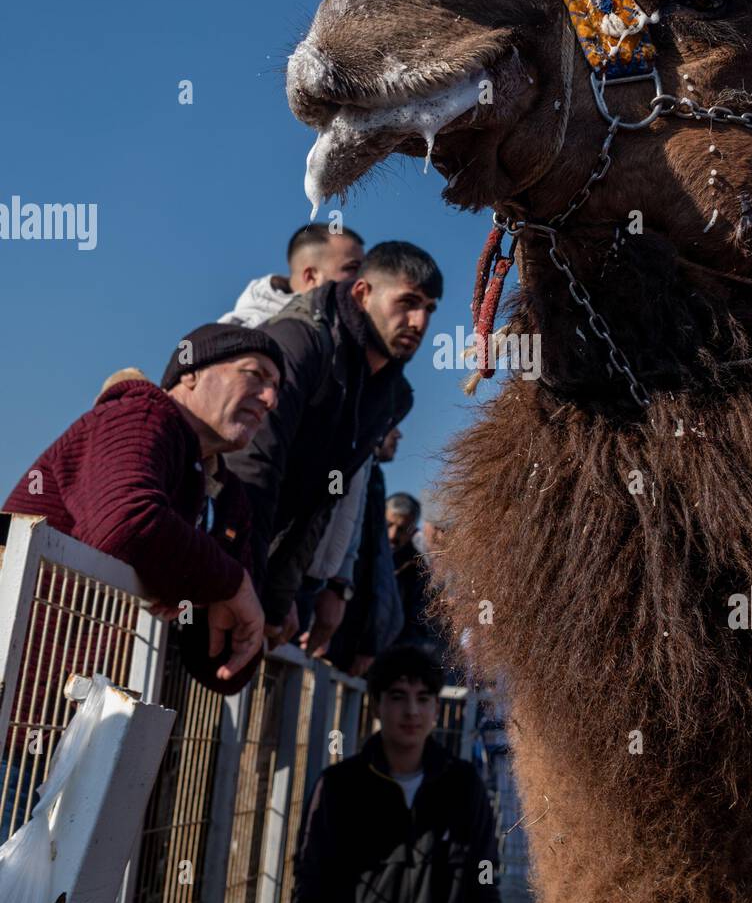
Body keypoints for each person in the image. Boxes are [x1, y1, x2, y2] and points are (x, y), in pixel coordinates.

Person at [3, 323, 285, 694]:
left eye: (277, 388)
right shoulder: (138, 416)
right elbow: (126, 524)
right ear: (192, 373)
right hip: (10, 684)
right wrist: (231, 584)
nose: (270, 398)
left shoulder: (229, 498)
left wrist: (216, 597)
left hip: (67, 721)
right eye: (255, 374)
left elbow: (221, 665)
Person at [226, 242, 441, 645]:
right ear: (363, 293)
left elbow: (321, 503)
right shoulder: (301, 340)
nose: (419, 321)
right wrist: (241, 585)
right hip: (215, 558)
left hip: (270, 579)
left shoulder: (389, 394)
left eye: (430, 308)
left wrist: (276, 598)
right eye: (408, 302)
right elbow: (253, 468)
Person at [275, 646, 502, 903]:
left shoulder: (464, 788)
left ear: (436, 709)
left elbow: (484, 892)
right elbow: (310, 888)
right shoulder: (338, 787)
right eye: (398, 696)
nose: (411, 710)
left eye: (423, 697)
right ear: (376, 705)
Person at [220, 223, 370, 654]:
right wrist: (255, 581)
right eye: (352, 269)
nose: (364, 285)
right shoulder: (256, 343)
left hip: (298, 578)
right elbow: (251, 466)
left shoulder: (348, 357)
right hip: (252, 573)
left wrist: (337, 581)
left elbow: (351, 491)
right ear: (310, 277)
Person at [317, 426, 404, 676]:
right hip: (325, 631)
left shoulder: (373, 476)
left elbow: (375, 570)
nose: (399, 435)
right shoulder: (352, 464)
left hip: (344, 639)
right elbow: (330, 534)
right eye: (392, 425)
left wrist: (370, 643)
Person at [220, 223, 364, 327]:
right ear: (311, 277)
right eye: (352, 268)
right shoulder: (251, 335)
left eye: (364, 269)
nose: (363, 278)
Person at [387, 492, 452, 668]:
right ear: (425, 525)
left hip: (424, 651)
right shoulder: (408, 559)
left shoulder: (453, 565)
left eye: (448, 531)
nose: (441, 537)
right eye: (437, 528)